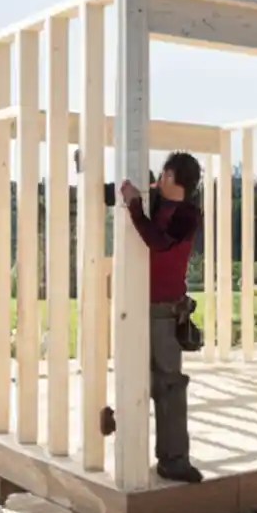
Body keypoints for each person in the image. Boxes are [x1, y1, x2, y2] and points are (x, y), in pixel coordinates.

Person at [101, 152, 205, 484]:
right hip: (133, 304)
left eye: (164, 174)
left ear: (174, 178)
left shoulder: (188, 215)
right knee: (132, 377)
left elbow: (158, 243)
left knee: (170, 385)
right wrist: (123, 186)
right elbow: (108, 194)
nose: (159, 179)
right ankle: (124, 448)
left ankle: (173, 461)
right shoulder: (154, 198)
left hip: (164, 310)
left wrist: (135, 205)